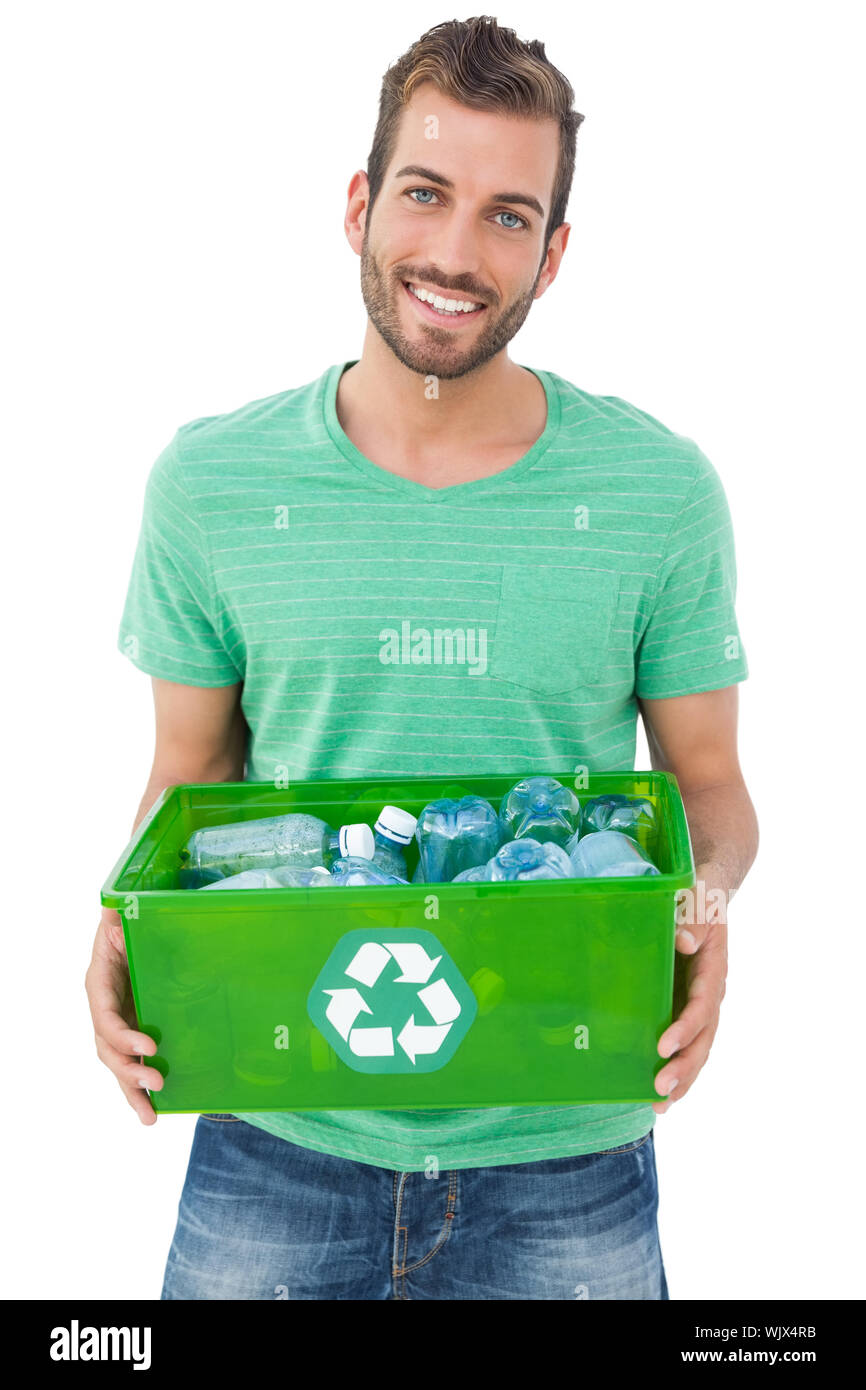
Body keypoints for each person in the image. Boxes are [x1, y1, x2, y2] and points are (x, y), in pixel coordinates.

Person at [86, 15, 758, 1300]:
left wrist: (703, 902)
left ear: (553, 254)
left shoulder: (655, 494)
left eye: (508, 215)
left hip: (565, 1137)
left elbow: (709, 789)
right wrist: (122, 923)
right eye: (424, 194)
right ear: (358, 206)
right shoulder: (213, 485)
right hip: (274, 1130)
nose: (454, 254)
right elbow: (191, 777)